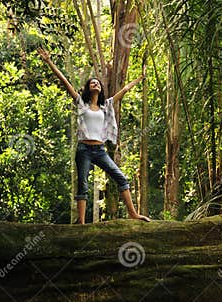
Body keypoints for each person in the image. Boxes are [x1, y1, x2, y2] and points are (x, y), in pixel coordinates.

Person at [37, 47, 151, 223]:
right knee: (83, 184)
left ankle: (133, 214)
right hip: (84, 149)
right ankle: (82, 223)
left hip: (100, 150)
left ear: (101, 88)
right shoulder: (81, 104)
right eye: (92, 83)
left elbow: (125, 89)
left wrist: (141, 78)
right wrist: (49, 61)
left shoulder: (106, 106)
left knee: (121, 178)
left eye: (97, 83)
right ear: (88, 88)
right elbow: (65, 81)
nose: (95, 84)